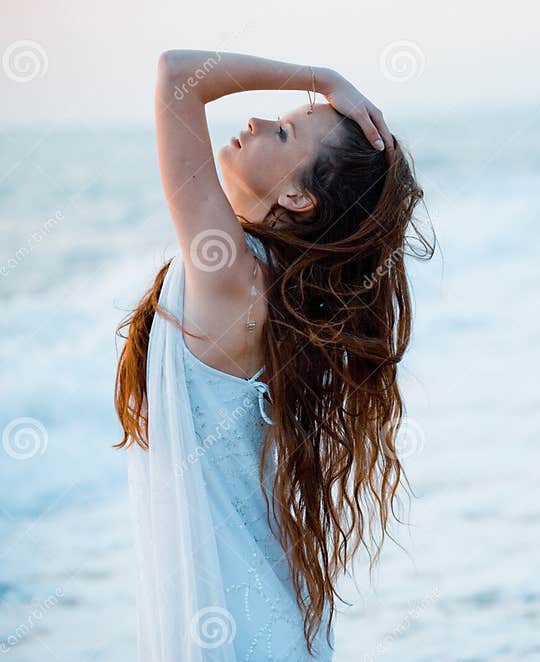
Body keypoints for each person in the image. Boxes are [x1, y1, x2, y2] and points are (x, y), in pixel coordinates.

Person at [112, 49, 434, 660]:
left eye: (284, 132)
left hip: (234, 635)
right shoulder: (278, 292)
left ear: (298, 199)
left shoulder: (232, 277)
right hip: (258, 625)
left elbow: (178, 76)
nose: (256, 122)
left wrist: (323, 78)